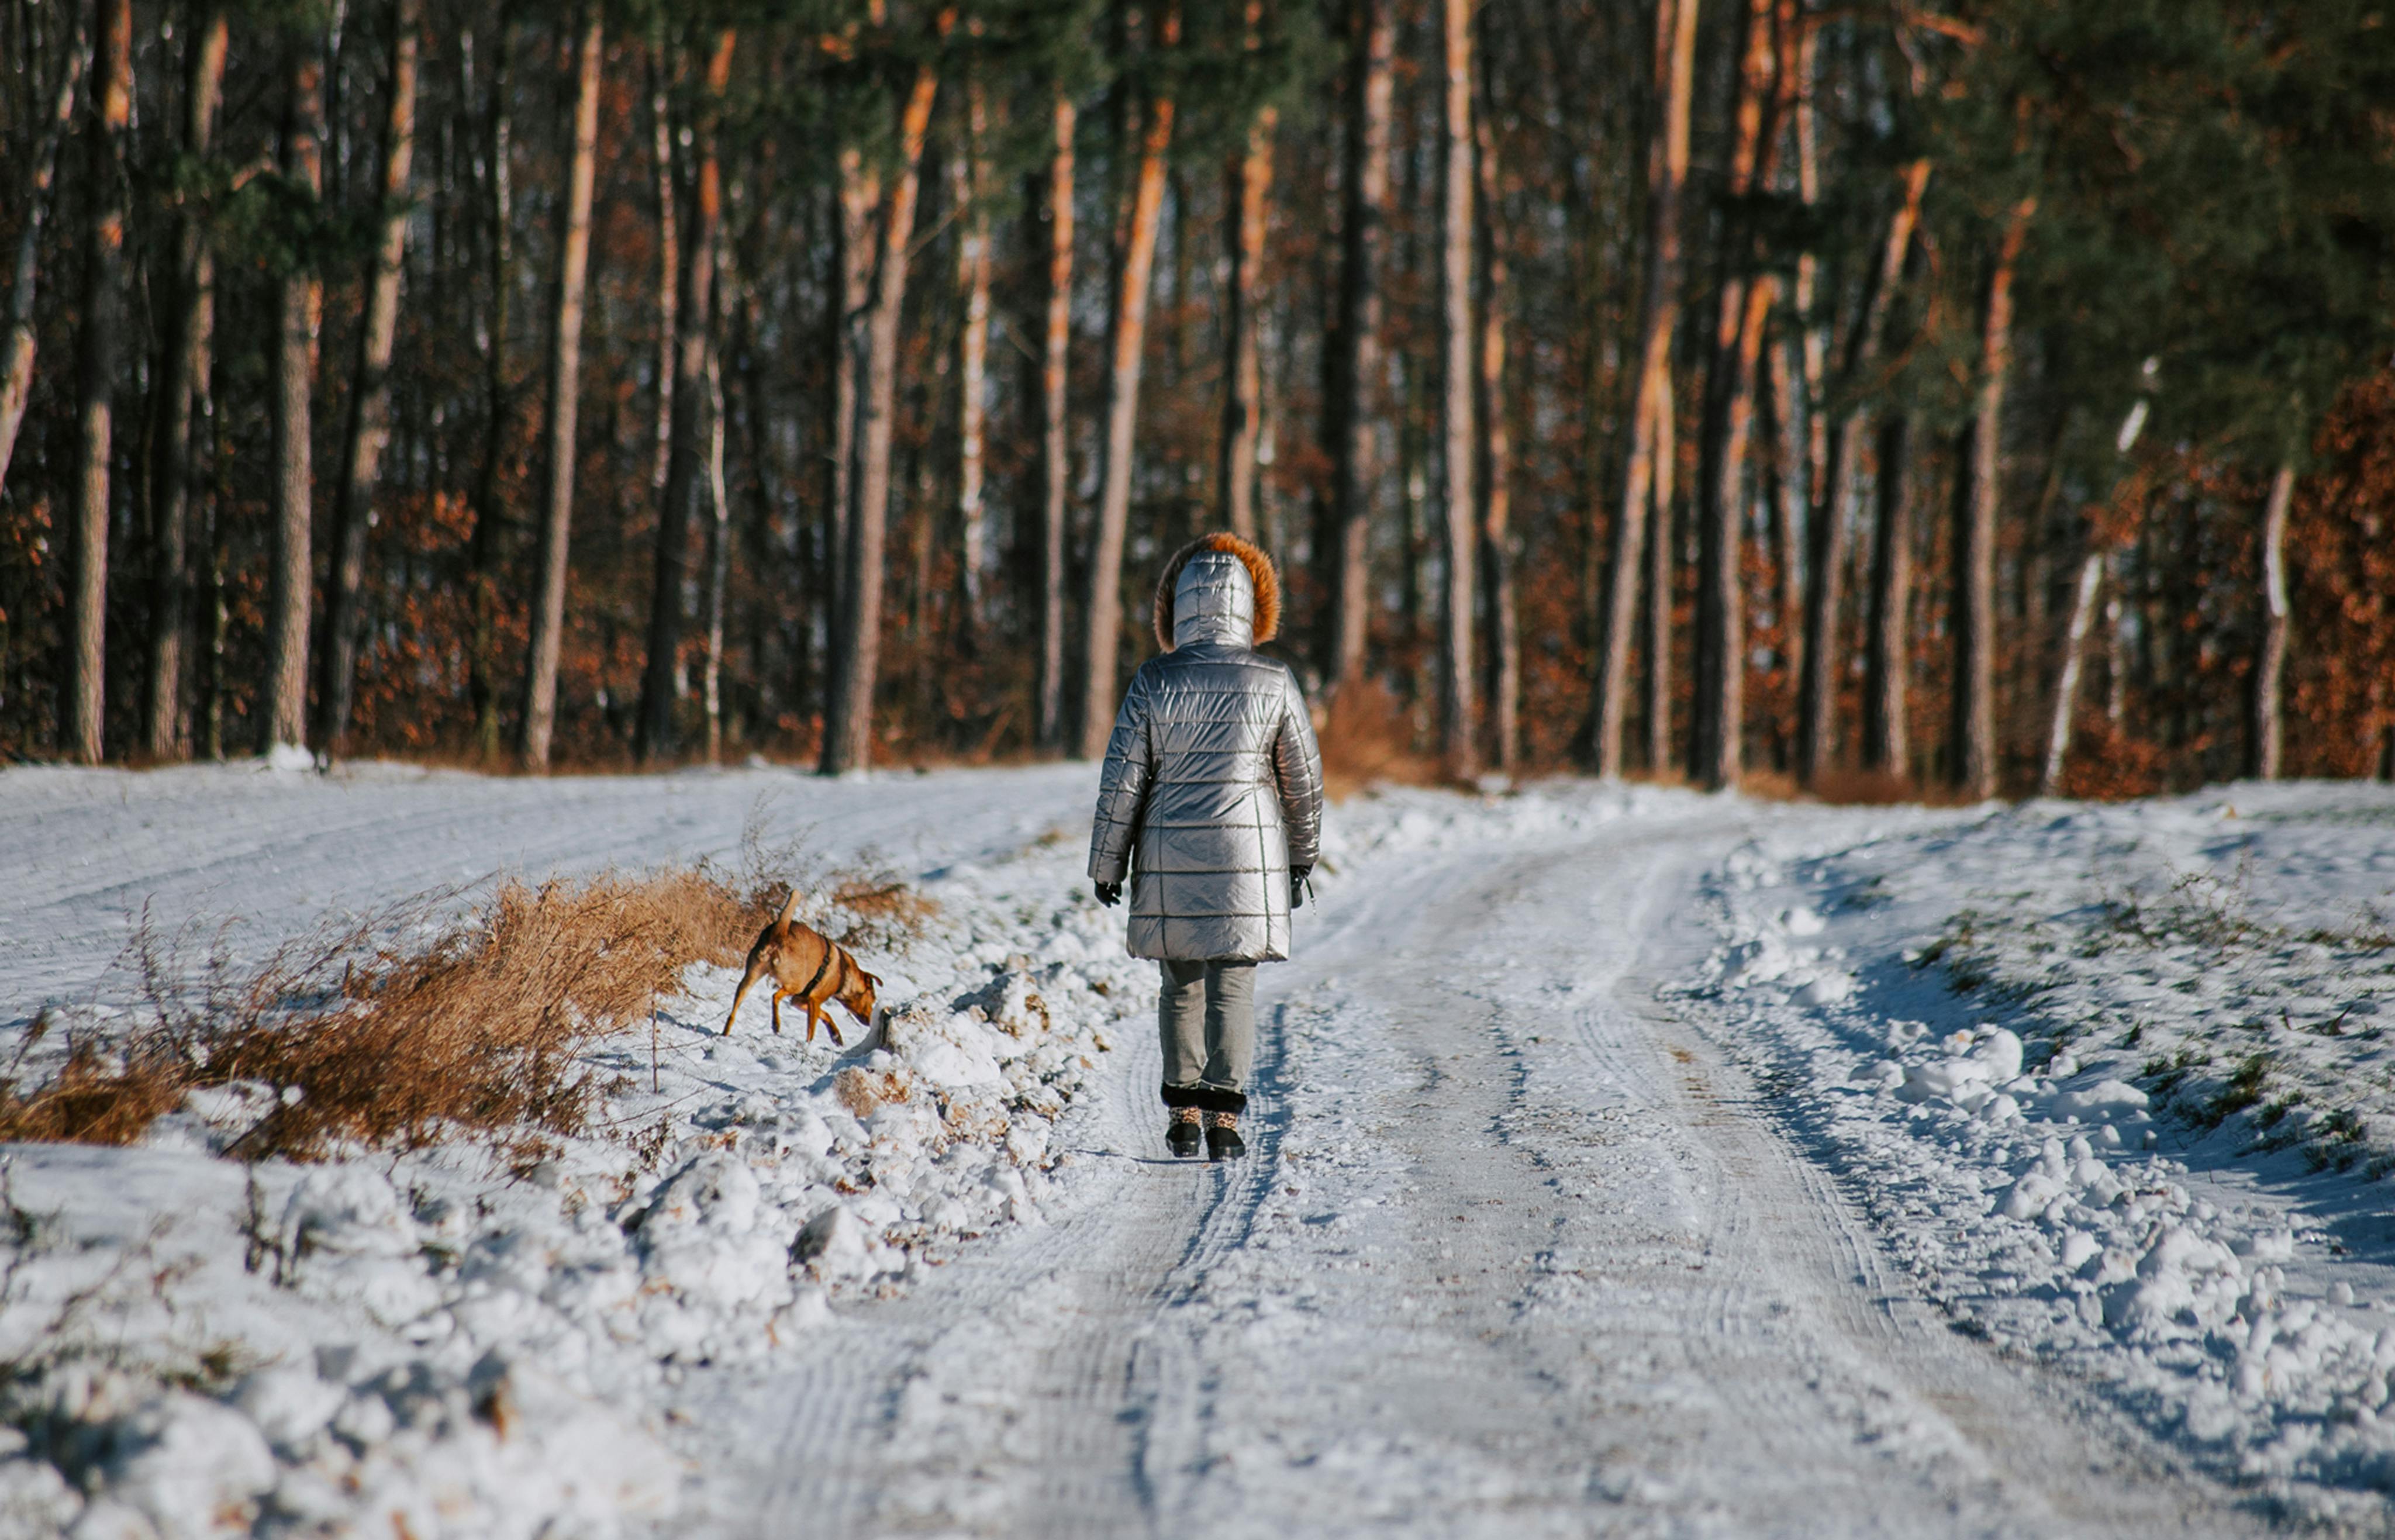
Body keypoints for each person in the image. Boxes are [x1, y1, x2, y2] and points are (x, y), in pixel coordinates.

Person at [1088, 533, 1324, 1161]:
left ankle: (1185, 1114)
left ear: (1176, 608)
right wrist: (1302, 855)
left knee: (1181, 984)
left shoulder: (1154, 679)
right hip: (1249, 857)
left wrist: (1107, 863)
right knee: (1233, 988)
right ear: (1252, 608)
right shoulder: (1274, 680)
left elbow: (1123, 780)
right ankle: (1225, 1120)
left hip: (1170, 854)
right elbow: (1302, 780)